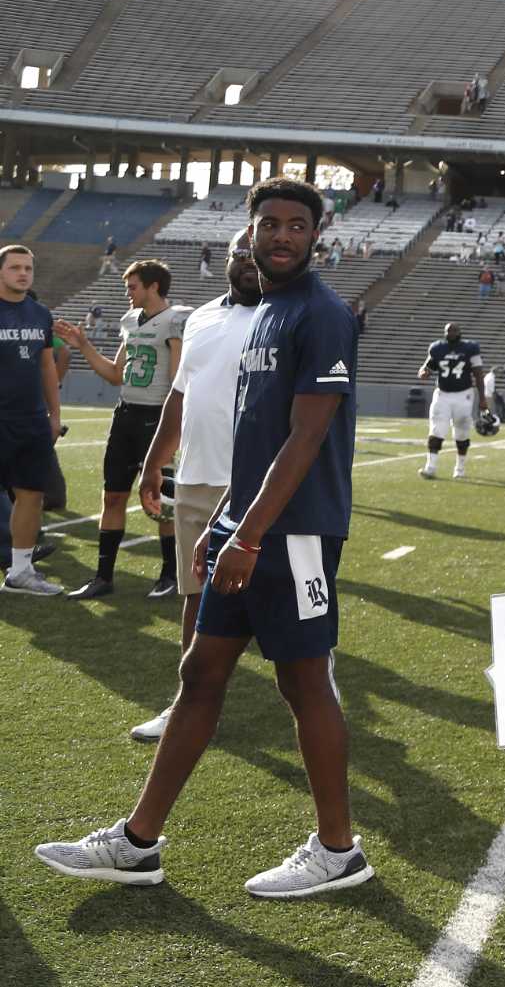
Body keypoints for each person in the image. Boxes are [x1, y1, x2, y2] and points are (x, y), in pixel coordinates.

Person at [34, 178, 370, 896]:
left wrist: (245, 534)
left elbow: (307, 436)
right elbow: (253, 433)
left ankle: (339, 849)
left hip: (295, 534)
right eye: (269, 223)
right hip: (241, 523)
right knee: (200, 672)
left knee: (304, 681)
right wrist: (223, 524)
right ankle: (138, 843)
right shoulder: (264, 311)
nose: (282, 235)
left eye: (297, 225)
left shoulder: (322, 314)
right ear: (249, 233)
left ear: (317, 236)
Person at [128, 230, 264, 742]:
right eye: (241, 253)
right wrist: (155, 462)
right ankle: (188, 704)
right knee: (195, 596)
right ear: (225, 259)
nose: (250, 261)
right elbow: (180, 397)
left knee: (285, 602)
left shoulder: (284, 316)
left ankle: (320, 698)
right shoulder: (201, 317)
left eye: (256, 253)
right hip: (196, 477)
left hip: (259, 484)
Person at [54, 260, 191, 599]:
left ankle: (169, 576)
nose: (128, 293)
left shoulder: (175, 320)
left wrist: (174, 425)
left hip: (156, 416)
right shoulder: (130, 320)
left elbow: (177, 380)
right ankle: (103, 577)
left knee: (161, 498)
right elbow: (116, 375)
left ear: (153, 286)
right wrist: (84, 345)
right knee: (113, 495)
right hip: (125, 415)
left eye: (132, 287)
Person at [0, 245, 64, 595]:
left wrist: (54, 414)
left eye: (28, 268)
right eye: (15, 267)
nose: (23, 273)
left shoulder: (40, 313)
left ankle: (20, 572)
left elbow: (46, 365)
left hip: (31, 419)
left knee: (30, 494)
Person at [417, 321, 485, 481]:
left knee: (462, 432)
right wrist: (423, 373)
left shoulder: (470, 348)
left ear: (459, 332)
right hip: (442, 394)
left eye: (454, 331)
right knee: (436, 430)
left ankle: (460, 469)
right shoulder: (437, 348)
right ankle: (430, 467)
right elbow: (426, 367)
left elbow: (478, 374)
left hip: (464, 395)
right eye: (448, 331)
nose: (451, 333)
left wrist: (483, 399)